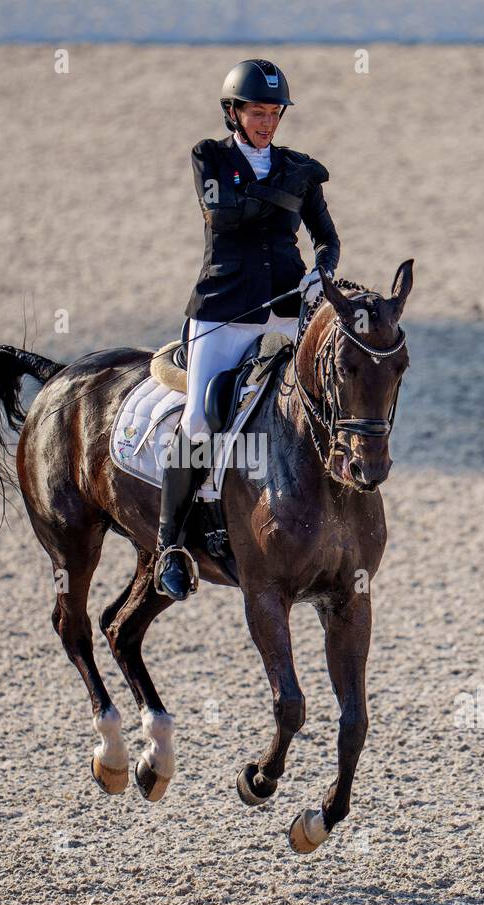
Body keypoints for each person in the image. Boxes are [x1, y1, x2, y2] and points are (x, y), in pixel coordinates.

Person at [154, 58, 341, 600]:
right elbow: (227, 215)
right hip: (223, 309)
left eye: (274, 111)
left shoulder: (297, 167)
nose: (266, 122)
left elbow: (326, 238)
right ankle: (171, 544)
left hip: (286, 302)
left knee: (335, 380)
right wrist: (287, 188)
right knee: (197, 421)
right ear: (233, 112)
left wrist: (318, 276)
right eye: (256, 111)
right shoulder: (210, 157)